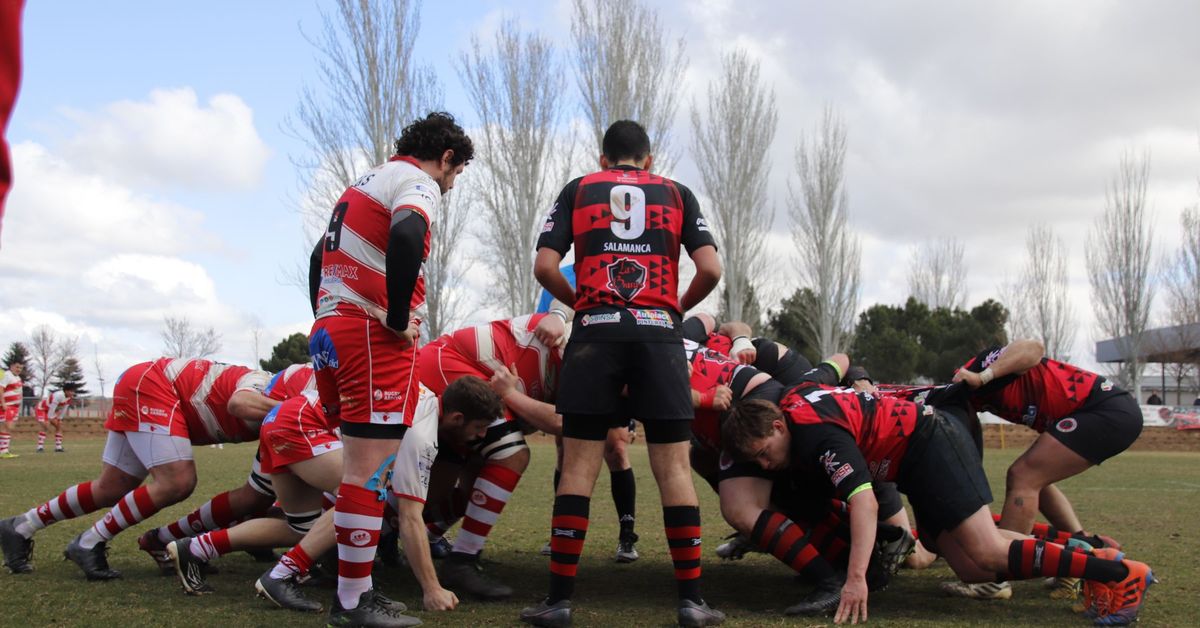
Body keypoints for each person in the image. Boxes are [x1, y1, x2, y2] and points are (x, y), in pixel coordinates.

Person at [721, 357, 1156, 626]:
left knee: (986, 553)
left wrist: (855, 582)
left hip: (931, 442)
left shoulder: (816, 437)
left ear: (779, 425)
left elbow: (865, 501)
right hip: (917, 455)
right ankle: (1092, 554)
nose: (765, 466)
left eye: (763, 453)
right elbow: (837, 360)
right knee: (970, 566)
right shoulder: (796, 397)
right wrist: (858, 377)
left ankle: (1119, 574)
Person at [521, 120, 724, 627]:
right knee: (674, 470)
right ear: (649, 159)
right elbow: (712, 270)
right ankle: (692, 603)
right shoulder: (677, 193)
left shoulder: (580, 189)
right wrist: (674, 308)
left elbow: (545, 266)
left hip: (596, 335)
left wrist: (584, 304)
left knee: (577, 470)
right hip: (658, 335)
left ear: (603, 157)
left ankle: (559, 602)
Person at [307, 111, 473, 626]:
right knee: (368, 472)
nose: (450, 184)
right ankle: (354, 602)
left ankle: (357, 590)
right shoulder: (417, 182)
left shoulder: (366, 180)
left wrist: (326, 313)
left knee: (361, 468)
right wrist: (397, 318)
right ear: (446, 158)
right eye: (456, 173)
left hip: (334, 330)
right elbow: (405, 236)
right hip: (371, 338)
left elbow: (317, 256)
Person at [0, 357, 278, 579]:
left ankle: (22, 526)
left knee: (111, 487)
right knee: (176, 482)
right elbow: (240, 402)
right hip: (153, 386)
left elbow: (261, 492)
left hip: (149, 383)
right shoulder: (264, 385)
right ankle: (88, 542)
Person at [944, 340, 1140, 601]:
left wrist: (982, 375)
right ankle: (1083, 550)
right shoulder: (966, 402)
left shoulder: (976, 372)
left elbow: (1034, 347)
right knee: (1038, 482)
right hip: (1105, 410)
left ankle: (997, 579)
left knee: (1023, 476)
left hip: (1104, 409)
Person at [136, 363, 316, 573]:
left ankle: (184, 542)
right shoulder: (296, 375)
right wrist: (298, 411)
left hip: (305, 433)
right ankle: (184, 544)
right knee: (310, 516)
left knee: (271, 502)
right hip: (296, 433)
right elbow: (239, 402)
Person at [34, 383, 75, 452]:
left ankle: (58, 447)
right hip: (41, 409)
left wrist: (60, 419)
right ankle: (40, 447)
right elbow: (52, 408)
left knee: (59, 426)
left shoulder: (69, 398)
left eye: (73, 391)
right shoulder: (58, 395)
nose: (72, 393)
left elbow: (64, 409)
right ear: (65, 391)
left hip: (50, 411)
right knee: (46, 425)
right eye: (70, 391)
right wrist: (50, 418)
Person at [0, 361, 23, 457]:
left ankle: (5, 450)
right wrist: (3, 403)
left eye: (21, 368)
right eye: (17, 367)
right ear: (11, 366)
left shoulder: (17, 377)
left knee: (10, 428)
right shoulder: (7, 375)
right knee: (7, 427)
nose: (19, 370)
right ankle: (3, 451)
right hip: (8, 406)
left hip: (15, 406)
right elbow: (0, 389)